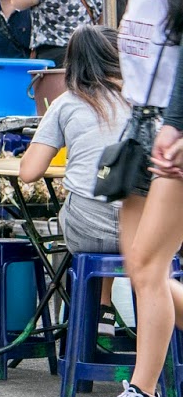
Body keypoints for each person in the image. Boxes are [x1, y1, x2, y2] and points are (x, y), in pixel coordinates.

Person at [94, 0, 183, 397]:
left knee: (149, 265)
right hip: (139, 134)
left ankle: (142, 392)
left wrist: (174, 126)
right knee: (139, 268)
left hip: (175, 137)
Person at [18, 25, 128, 256]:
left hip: (90, 232)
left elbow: (29, 172)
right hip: (146, 230)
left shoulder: (66, 103)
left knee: (84, 207)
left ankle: (98, 293)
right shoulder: (144, 101)